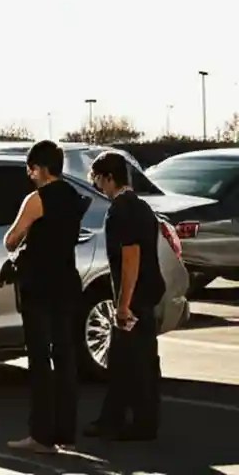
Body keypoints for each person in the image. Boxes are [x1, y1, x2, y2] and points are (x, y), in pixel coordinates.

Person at [2, 140, 91, 453]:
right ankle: (65, 432)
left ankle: (41, 435)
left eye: (31, 168)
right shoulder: (73, 196)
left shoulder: (36, 199)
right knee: (65, 358)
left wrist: (19, 239)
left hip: (39, 287)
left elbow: (11, 240)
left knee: (40, 360)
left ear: (40, 168)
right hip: (67, 282)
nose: (29, 174)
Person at [85, 151, 164, 441]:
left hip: (135, 298)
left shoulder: (120, 211)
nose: (95, 185)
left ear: (108, 177)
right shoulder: (143, 208)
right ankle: (116, 418)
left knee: (135, 363)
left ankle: (137, 423)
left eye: (96, 178)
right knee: (128, 361)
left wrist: (123, 304)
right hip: (148, 292)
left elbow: (131, 258)